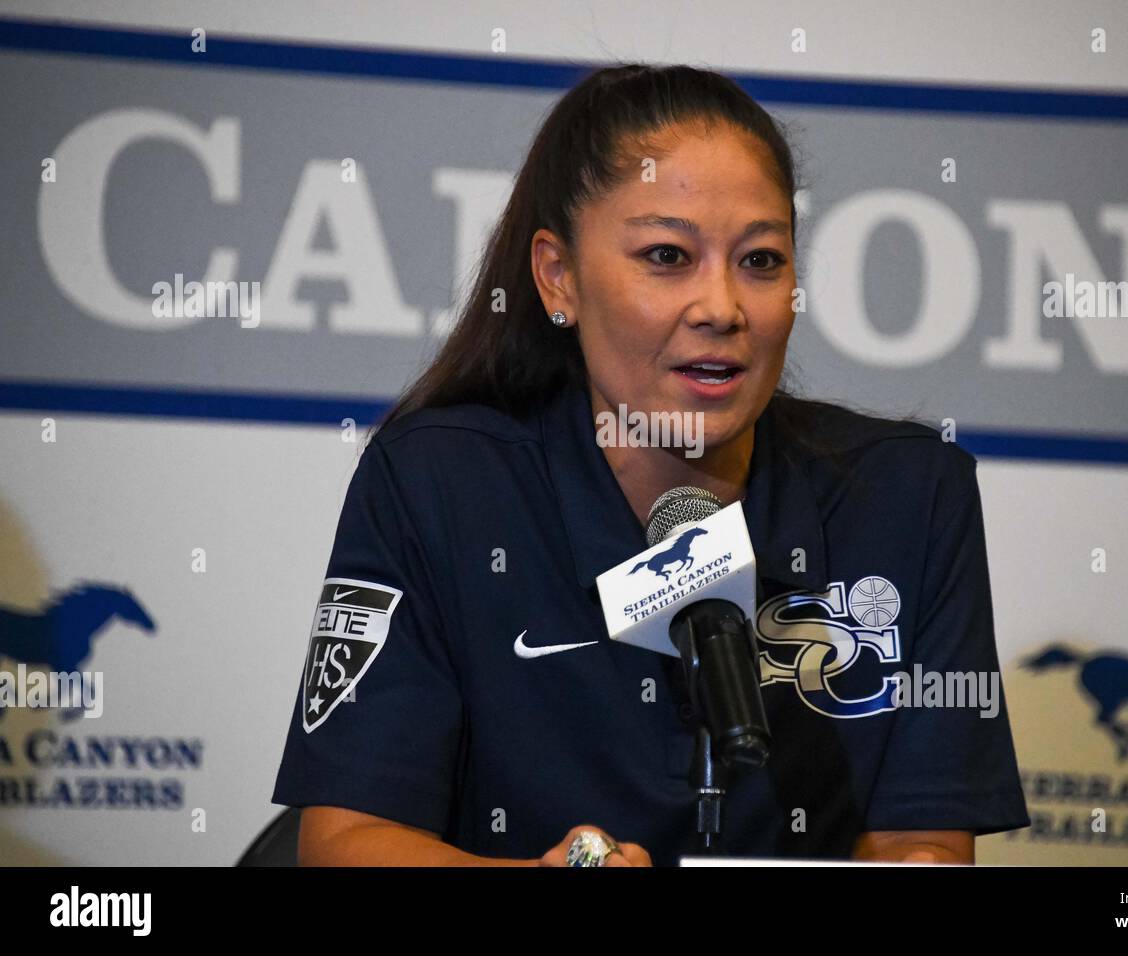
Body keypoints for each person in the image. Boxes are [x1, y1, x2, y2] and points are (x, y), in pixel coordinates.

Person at [271, 63, 1030, 867]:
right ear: (558, 277)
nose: (721, 308)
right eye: (668, 255)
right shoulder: (435, 483)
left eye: (762, 260)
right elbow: (345, 841)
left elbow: (922, 842)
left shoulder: (910, 496)